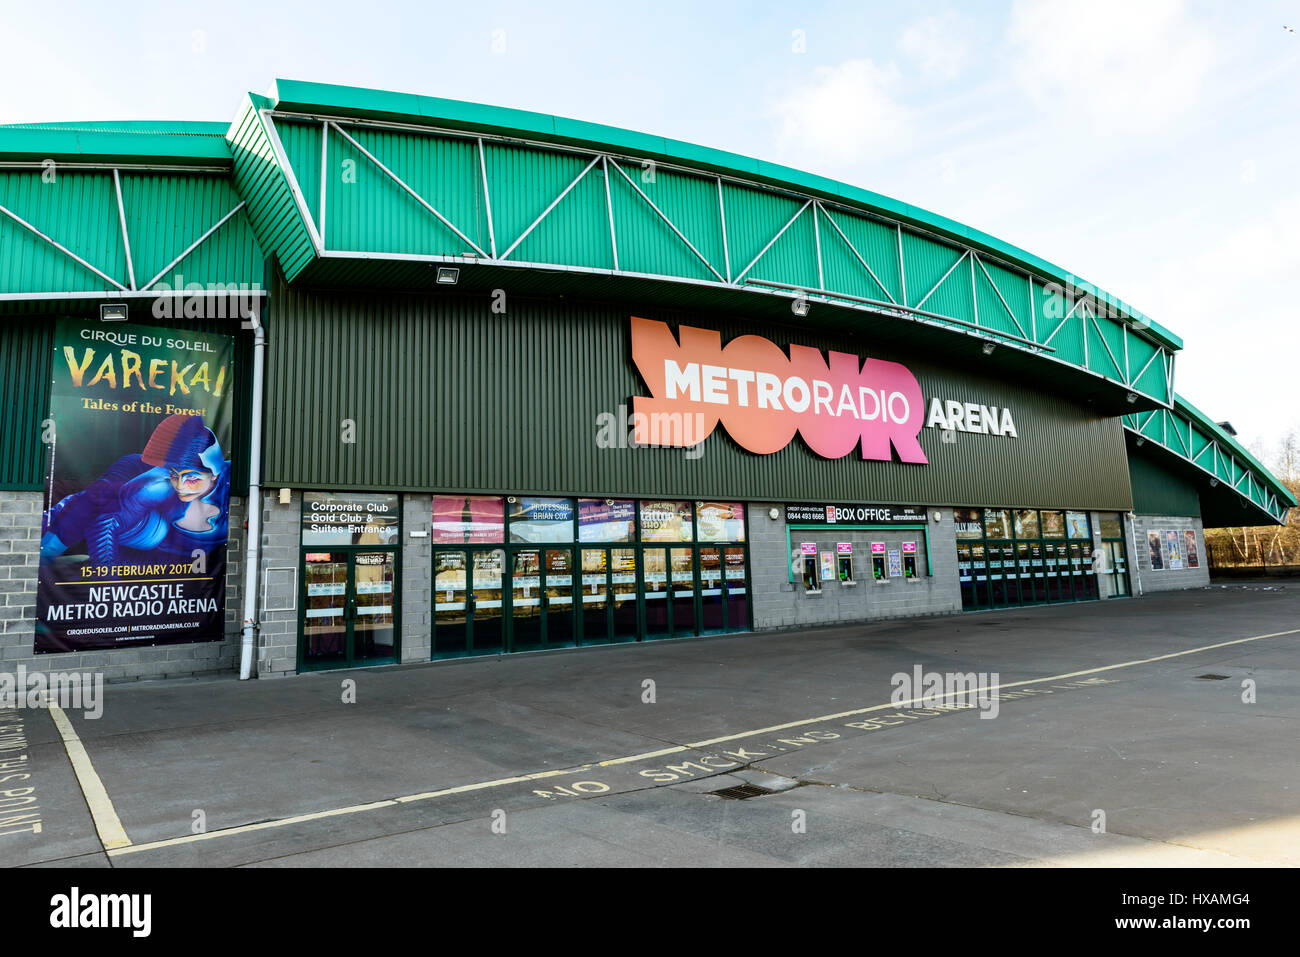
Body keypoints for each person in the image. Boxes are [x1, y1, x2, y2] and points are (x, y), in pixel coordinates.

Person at [41, 413, 230, 566]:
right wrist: (107, 583)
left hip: (162, 556)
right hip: (129, 493)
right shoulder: (153, 488)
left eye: (192, 479)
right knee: (100, 500)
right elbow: (101, 521)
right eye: (174, 475)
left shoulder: (227, 480)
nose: (180, 486)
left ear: (214, 473)